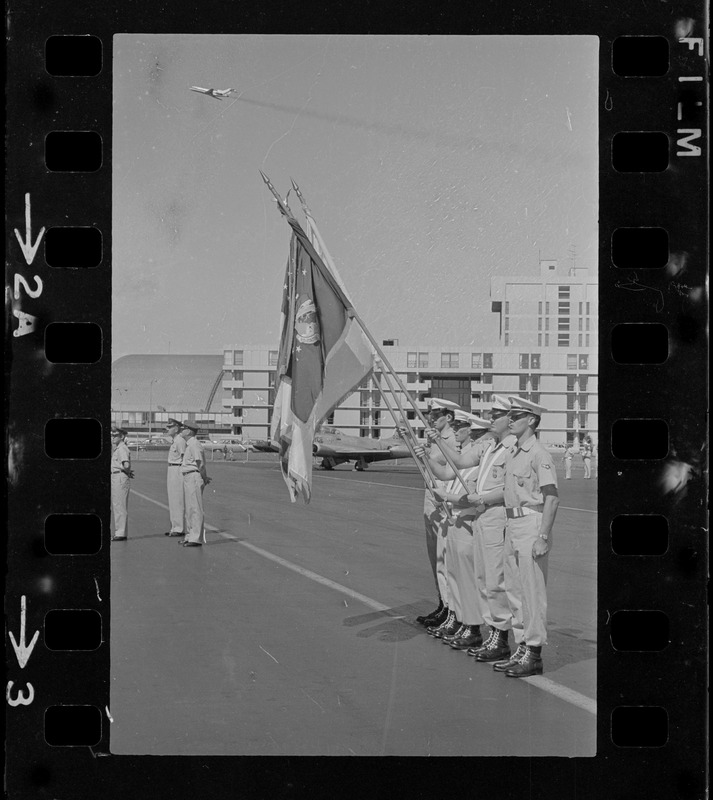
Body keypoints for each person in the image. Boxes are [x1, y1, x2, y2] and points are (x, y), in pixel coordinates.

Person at [493, 395, 560, 678]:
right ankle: (521, 647)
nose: (510, 419)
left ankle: (533, 653)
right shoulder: (513, 452)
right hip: (512, 523)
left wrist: (543, 535)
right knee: (515, 590)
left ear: (531, 420)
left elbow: (552, 498)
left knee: (532, 592)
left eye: (516, 415)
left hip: (532, 523)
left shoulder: (538, 454)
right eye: (509, 415)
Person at [414, 400, 460, 628]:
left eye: (436, 414)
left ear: (448, 417)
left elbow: (449, 472)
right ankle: (442, 604)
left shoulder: (453, 441)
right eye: (429, 413)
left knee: (444, 558)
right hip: (430, 498)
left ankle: (450, 608)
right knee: (435, 557)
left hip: (442, 500)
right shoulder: (434, 440)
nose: (431, 417)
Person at [180, 422, 212, 547]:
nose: (181, 430)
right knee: (189, 509)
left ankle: (196, 538)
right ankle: (189, 536)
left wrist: (204, 478)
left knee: (195, 508)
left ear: (189, 431)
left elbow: (201, 464)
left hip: (194, 476)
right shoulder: (189, 444)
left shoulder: (194, 444)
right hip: (189, 476)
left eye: (184, 428)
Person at [164, 418, 187, 537]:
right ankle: (174, 527)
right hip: (172, 469)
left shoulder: (180, 441)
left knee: (177, 499)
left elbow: (185, 458)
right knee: (172, 499)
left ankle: (179, 528)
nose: (167, 429)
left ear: (177, 428)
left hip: (178, 469)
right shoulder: (175, 441)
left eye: (170, 427)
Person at [111, 427, 133, 541]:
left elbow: (126, 465)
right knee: (117, 505)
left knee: (120, 505)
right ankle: (119, 531)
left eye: (116, 435)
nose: (113, 437)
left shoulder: (122, 448)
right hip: (117, 476)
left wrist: (125, 471)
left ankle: (121, 533)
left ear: (122, 437)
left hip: (119, 476)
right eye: (112, 435)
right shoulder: (118, 448)